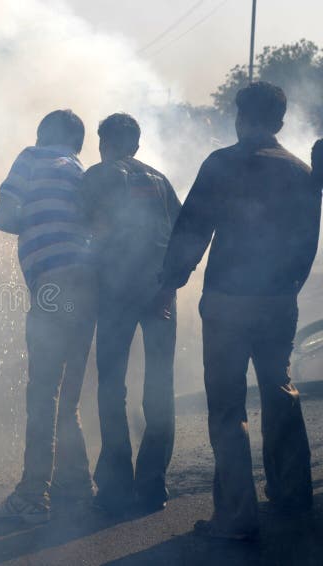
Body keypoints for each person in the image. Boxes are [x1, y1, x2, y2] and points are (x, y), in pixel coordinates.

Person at [159, 82, 322, 540]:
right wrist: (289, 286)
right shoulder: (300, 171)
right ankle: (292, 498)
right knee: (279, 389)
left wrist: (169, 281)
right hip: (278, 301)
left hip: (229, 300)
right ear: (281, 122)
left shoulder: (223, 163)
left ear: (239, 116)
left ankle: (235, 517)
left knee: (228, 406)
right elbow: (307, 241)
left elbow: (193, 228)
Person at [0, 110, 97, 524]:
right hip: (87, 285)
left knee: (42, 393)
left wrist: (29, 222)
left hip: (53, 285)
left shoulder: (31, 157)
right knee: (68, 394)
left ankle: (33, 495)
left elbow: (3, 216)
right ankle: (75, 485)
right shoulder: (81, 171)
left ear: (43, 134)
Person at [81, 113, 181, 514]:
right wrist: (169, 287)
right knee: (159, 388)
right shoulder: (161, 181)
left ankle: (116, 485)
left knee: (111, 387)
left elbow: (87, 229)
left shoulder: (99, 175)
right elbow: (185, 235)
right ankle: (153, 485)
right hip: (160, 295)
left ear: (103, 142)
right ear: (136, 145)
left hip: (117, 293)